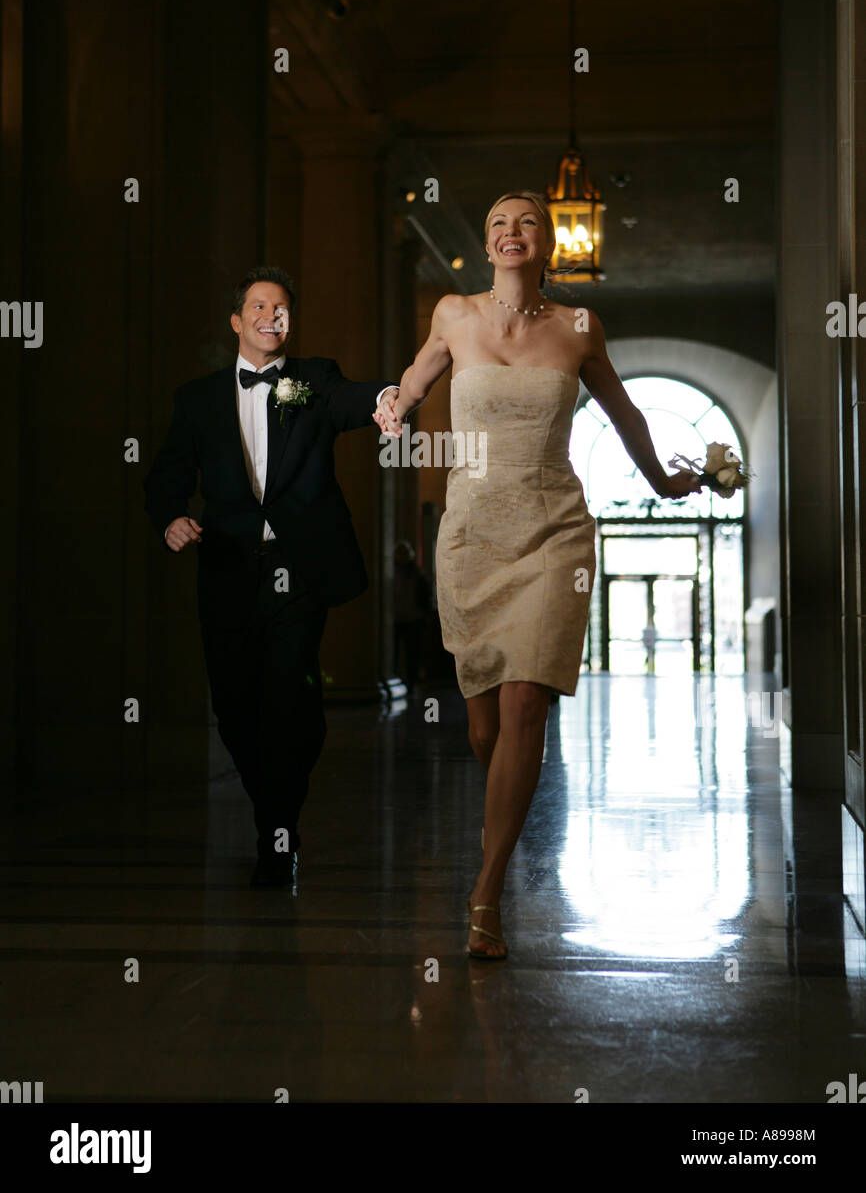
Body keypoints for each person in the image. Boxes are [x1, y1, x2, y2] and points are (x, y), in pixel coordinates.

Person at [376, 192, 703, 958]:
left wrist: (662, 481)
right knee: (487, 727)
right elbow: (412, 384)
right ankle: (512, 807)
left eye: (527, 223)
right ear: (485, 246)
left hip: (555, 530)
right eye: (498, 224)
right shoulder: (455, 315)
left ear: (548, 242)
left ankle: (485, 895)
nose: (511, 233)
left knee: (526, 707)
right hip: (472, 538)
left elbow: (624, 413)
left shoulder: (579, 328)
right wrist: (393, 407)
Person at [143, 268, 398, 887]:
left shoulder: (314, 379)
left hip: (298, 569)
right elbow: (166, 475)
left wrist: (391, 398)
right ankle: (273, 810)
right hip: (228, 568)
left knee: (288, 698)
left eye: (281, 307)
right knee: (235, 709)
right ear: (237, 321)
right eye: (258, 306)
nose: (270, 315)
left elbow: (358, 398)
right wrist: (173, 518)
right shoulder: (196, 399)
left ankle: (276, 836)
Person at [392, 540, 431, 694]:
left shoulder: (417, 574)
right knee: (396, 654)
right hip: (396, 618)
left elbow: (424, 596)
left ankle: (410, 683)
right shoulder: (392, 572)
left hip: (413, 617)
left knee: (412, 654)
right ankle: (399, 679)